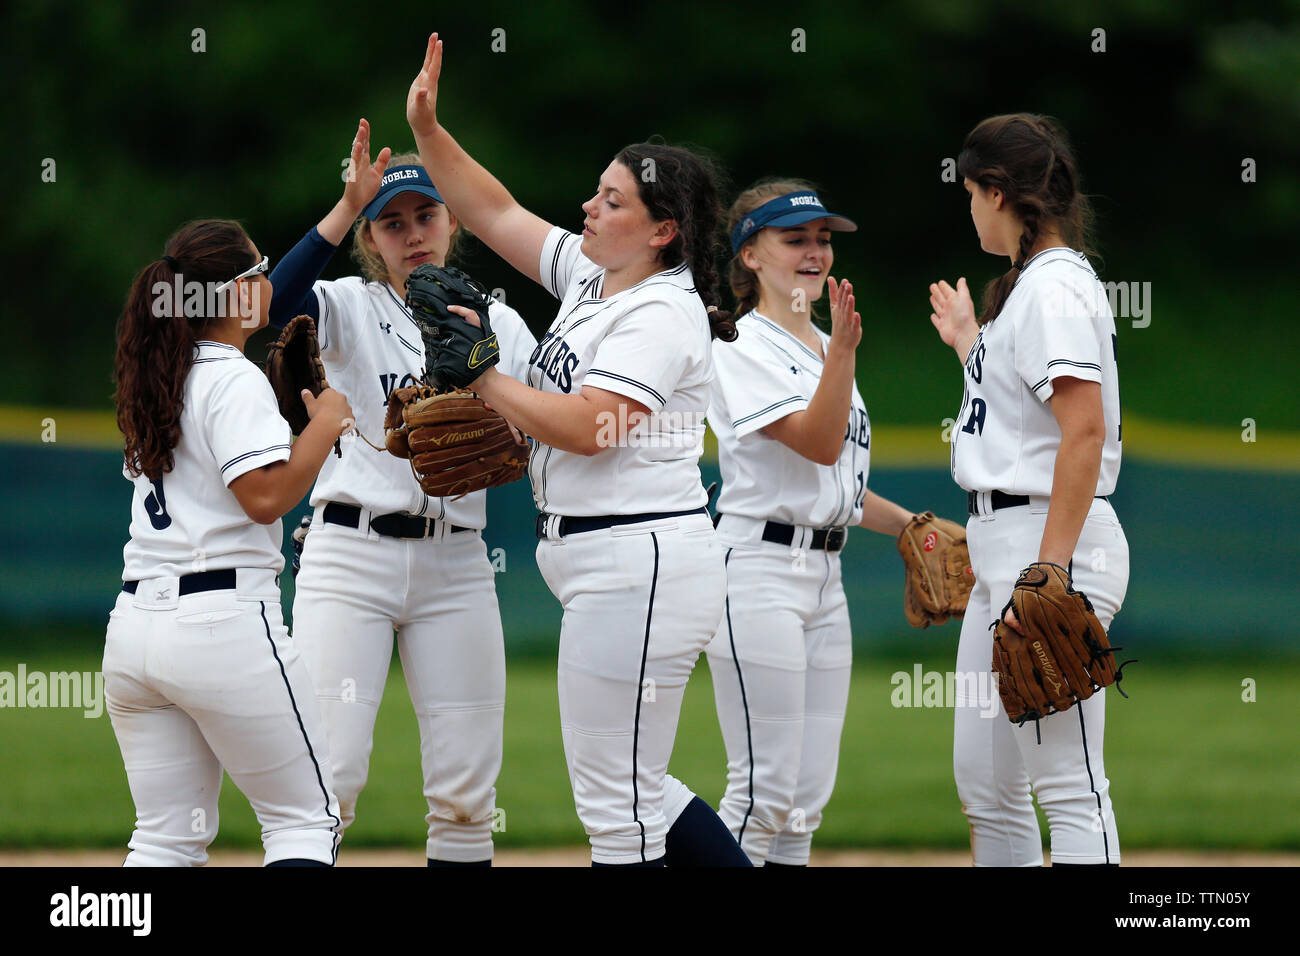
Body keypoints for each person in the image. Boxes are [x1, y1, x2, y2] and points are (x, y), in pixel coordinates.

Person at [404, 33, 750, 866]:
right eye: (596, 193)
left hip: (638, 562)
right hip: (613, 564)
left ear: (663, 230)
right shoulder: (598, 279)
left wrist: (484, 378)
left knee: (615, 806)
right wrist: (427, 132)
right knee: (640, 788)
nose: (589, 209)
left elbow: (595, 428)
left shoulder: (663, 313)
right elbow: (490, 212)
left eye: (613, 200)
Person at [268, 119, 537, 866]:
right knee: (326, 782)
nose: (413, 233)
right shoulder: (349, 308)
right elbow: (265, 304)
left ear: (453, 217)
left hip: (456, 564)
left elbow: (559, 422)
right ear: (370, 237)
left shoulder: (501, 326)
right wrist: (340, 209)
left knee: (466, 796)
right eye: (391, 223)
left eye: (426, 214)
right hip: (350, 557)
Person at [705, 180, 940, 866]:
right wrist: (841, 358)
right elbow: (816, 441)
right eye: (795, 238)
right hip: (757, 575)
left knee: (805, 800)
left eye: (823, 238)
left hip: (823, 578)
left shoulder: (824, 341)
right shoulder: (738, 344)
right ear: (750, 254)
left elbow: (838, 485)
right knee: (763, 792)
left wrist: (910, 527)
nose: (815, 251)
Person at [106, 219, 354, 866]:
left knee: (165, 836)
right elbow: (264, 498)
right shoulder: (231, 376)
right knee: (305, 820)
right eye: (260, 269)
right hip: (221, 624)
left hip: (135, 628)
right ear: (241, 293)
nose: (270, 282)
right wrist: (325, 426)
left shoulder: (161, 375)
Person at [928, 113, 1128, 866]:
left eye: (973, 192)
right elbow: (1022, 417)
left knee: (1069, 787)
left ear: (998, 191)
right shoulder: (1027, 292)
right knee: (987, 785)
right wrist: (967, 344)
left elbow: (1082, 431)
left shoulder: (1052, 290)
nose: (971, 208)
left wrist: (1050, 568)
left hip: (1050, 544)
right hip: (1008, 545)